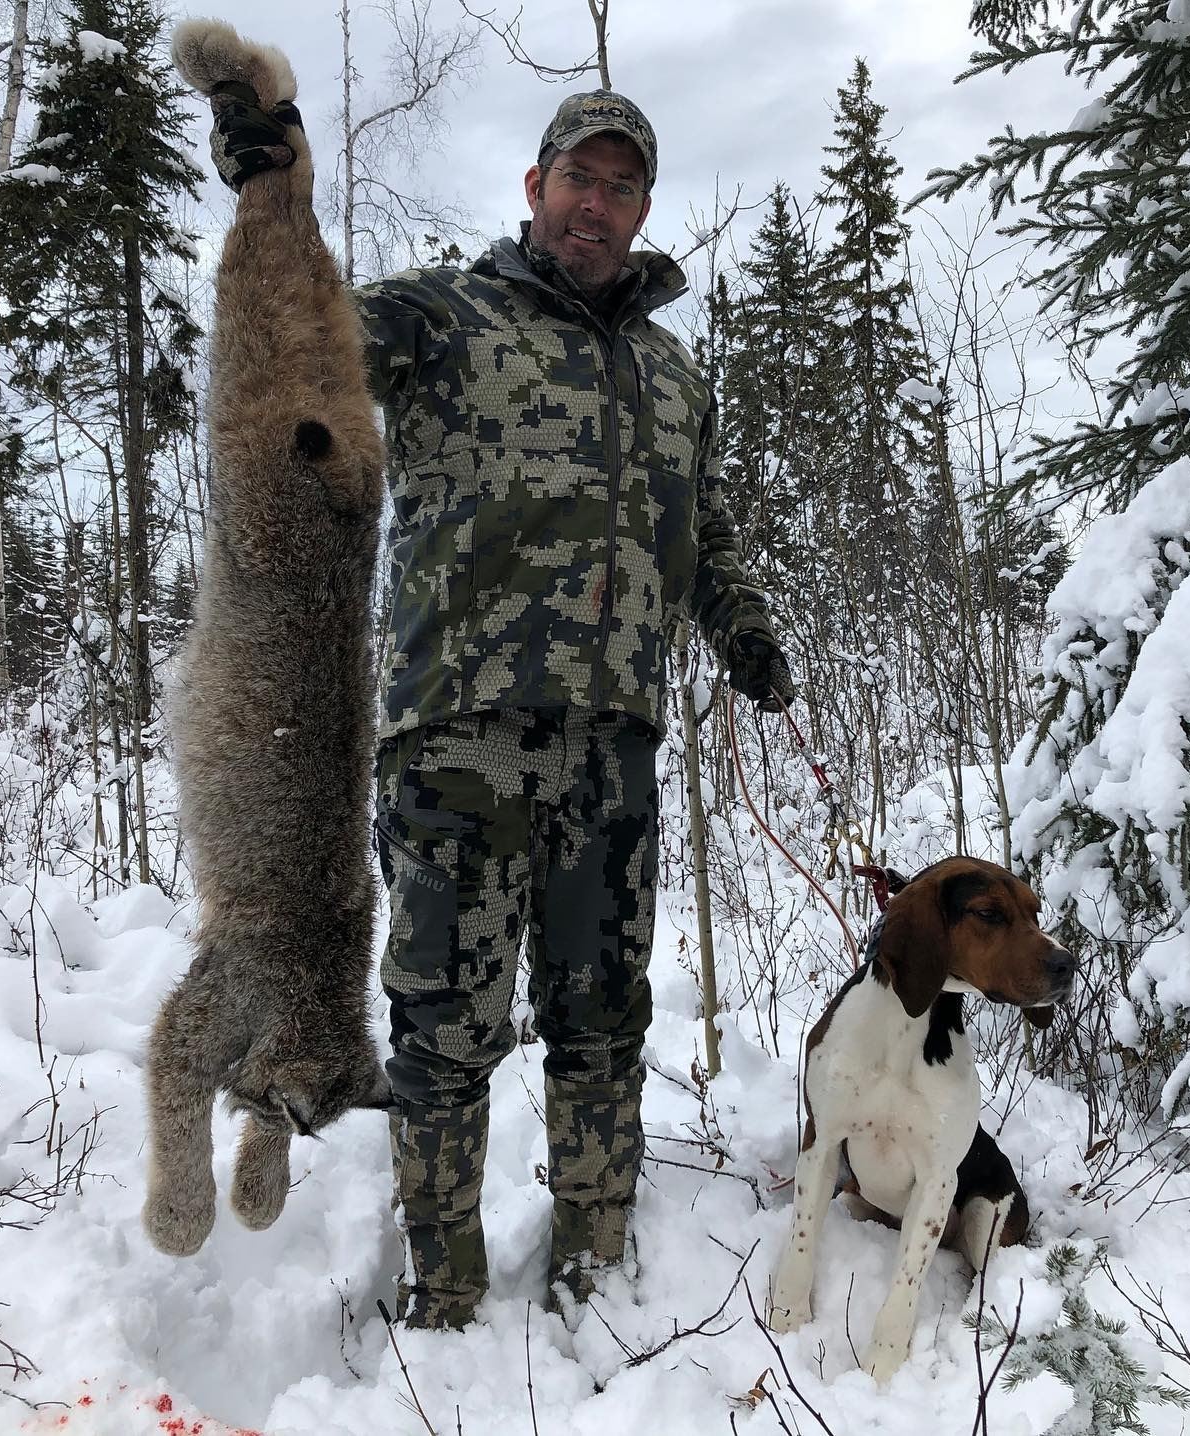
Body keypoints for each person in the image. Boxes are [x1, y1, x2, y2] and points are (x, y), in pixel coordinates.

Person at [207, 83, 795, 1328]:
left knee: (603, 1022)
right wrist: (276, 201)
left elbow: (703, 534)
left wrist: (742, 629)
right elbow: (302, 346)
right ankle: (447, 1286)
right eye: (576, 177)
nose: (597, 201)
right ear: (534, 190)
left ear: (643, 207)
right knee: (444, 1032)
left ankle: (595, 1263)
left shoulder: (676, 373)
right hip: (456, 742)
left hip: (613, 754)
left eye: (621, 183)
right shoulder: (442, 315)